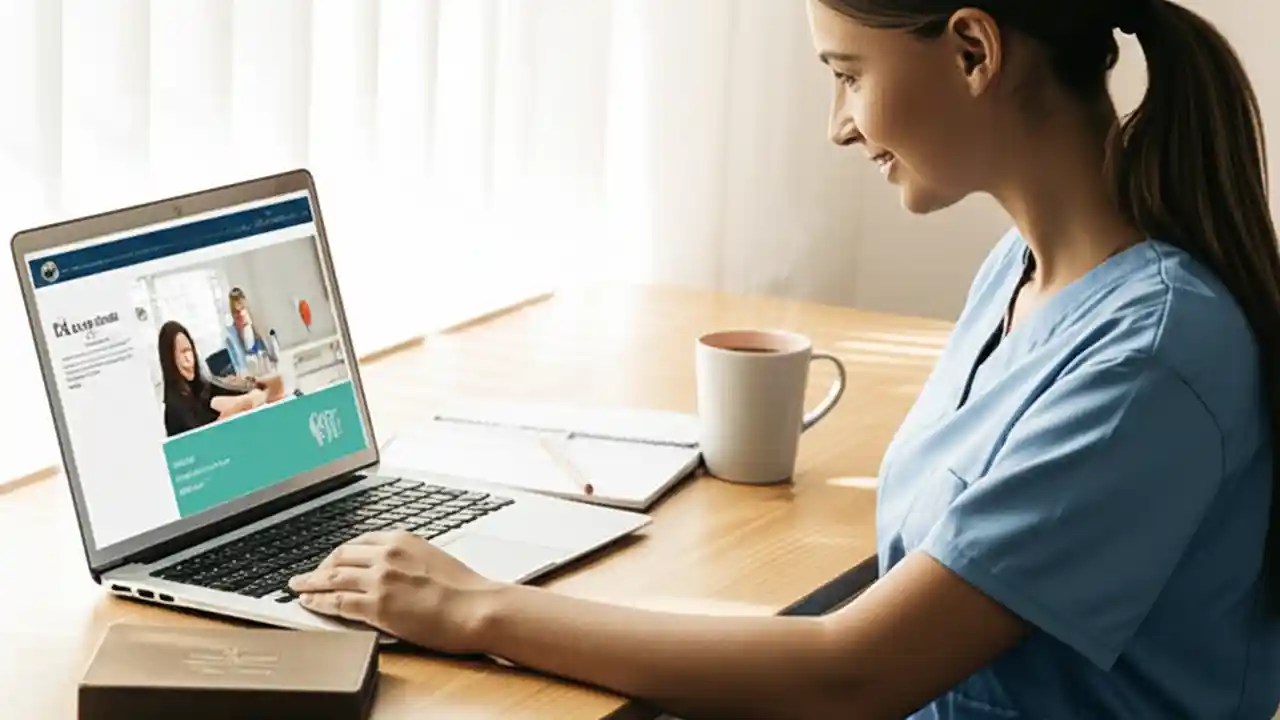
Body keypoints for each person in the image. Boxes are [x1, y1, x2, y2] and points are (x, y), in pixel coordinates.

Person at [289, 1, 1280, 716]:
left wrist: (479, 611)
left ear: (972, 50)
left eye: (847, 75)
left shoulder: (1149, 351)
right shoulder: (1017, 278)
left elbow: (856, 674)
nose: (839, 124)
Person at [159, 320, 273, 437]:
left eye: (188, 350)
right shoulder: (175, 409)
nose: (188, 358)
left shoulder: (207, 389)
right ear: (170, 359)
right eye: (182, 353)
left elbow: (253, 396)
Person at [225, 287, 277, 375]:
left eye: (241, 304)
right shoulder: (233, 332)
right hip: (249, 357)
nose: (241, 314)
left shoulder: (252, 319)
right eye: (237, 313)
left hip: (258, 352)